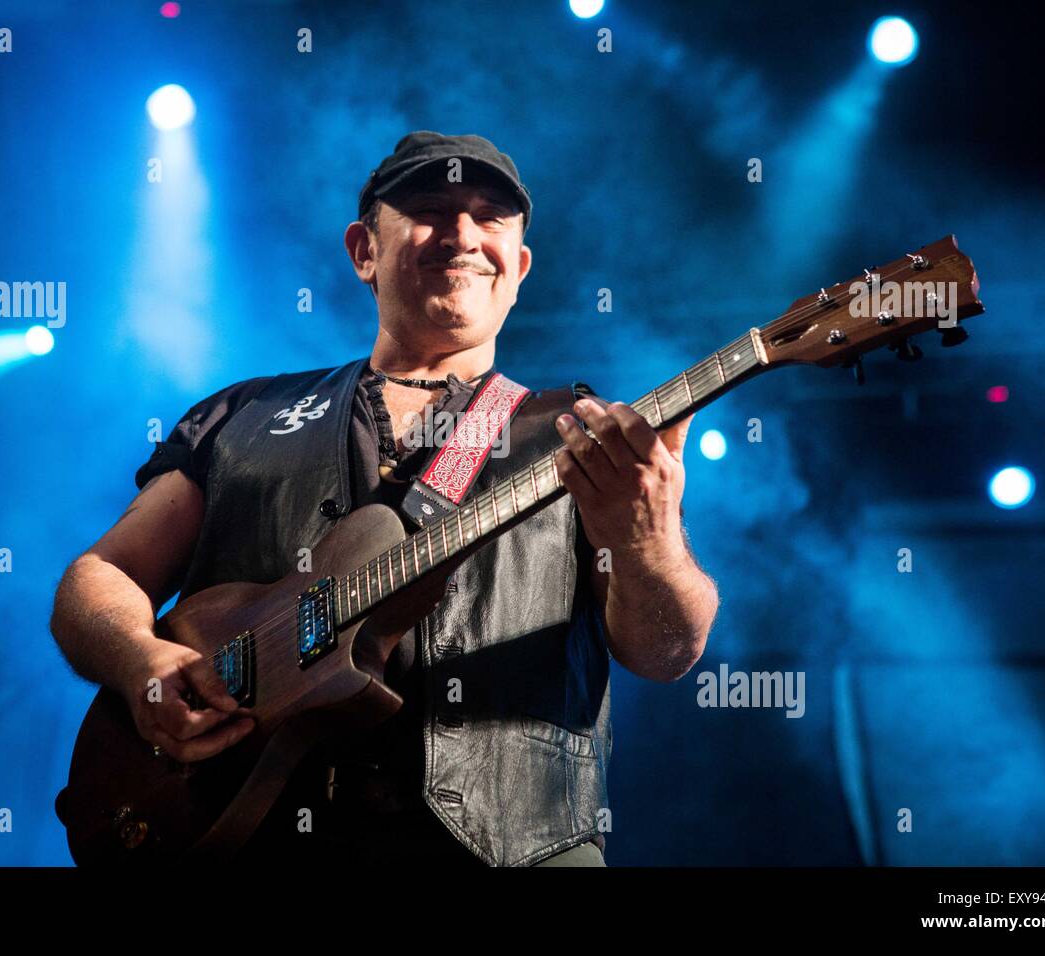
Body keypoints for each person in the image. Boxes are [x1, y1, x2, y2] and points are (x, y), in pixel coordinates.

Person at [50, 130, 719, 866]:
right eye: (431, 209)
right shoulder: (243, 415)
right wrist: (142, 663)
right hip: (245, 828)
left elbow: (665, 651)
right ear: (364, 250)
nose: (463, 235)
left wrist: (647, 537)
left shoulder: (583, 437)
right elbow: (98, 578)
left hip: (519, 846)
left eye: (492, 217)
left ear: (519, 267)